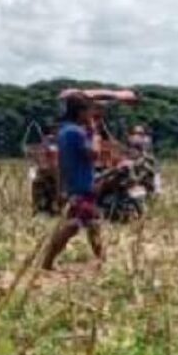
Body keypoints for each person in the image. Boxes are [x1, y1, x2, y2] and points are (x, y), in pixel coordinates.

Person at [42, 94, 105, 271]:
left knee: (91, 224)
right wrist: (96, 136)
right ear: (80, 112)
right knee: (76, 226)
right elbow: (93, 154)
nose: (91, 116)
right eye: (89, 112)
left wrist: (61, 188)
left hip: (76, 185)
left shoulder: (65, 131)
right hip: (81, 185)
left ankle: (102, 261)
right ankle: (47, 261)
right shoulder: (76, 133)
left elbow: (60, 163)